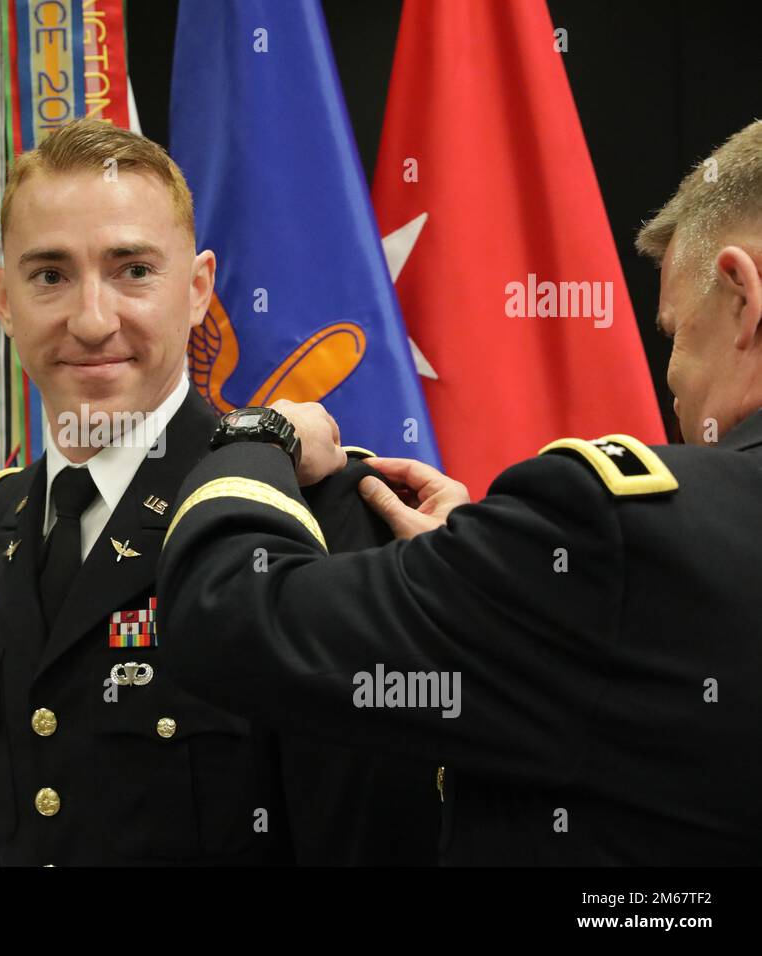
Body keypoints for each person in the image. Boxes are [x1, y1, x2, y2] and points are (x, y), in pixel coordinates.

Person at [156, 120, 762, 865]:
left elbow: (228, 617)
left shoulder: (618, 527)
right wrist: (490, 581)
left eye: (676, 331)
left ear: (742, 295)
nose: (672, 381)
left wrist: (256, 433)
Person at [0, 117, 437, 866]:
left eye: (132, 270)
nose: (93, 321)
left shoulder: (316, 515)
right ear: (1, 300)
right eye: (51, 275)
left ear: (197, 290)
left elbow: (369, 842)